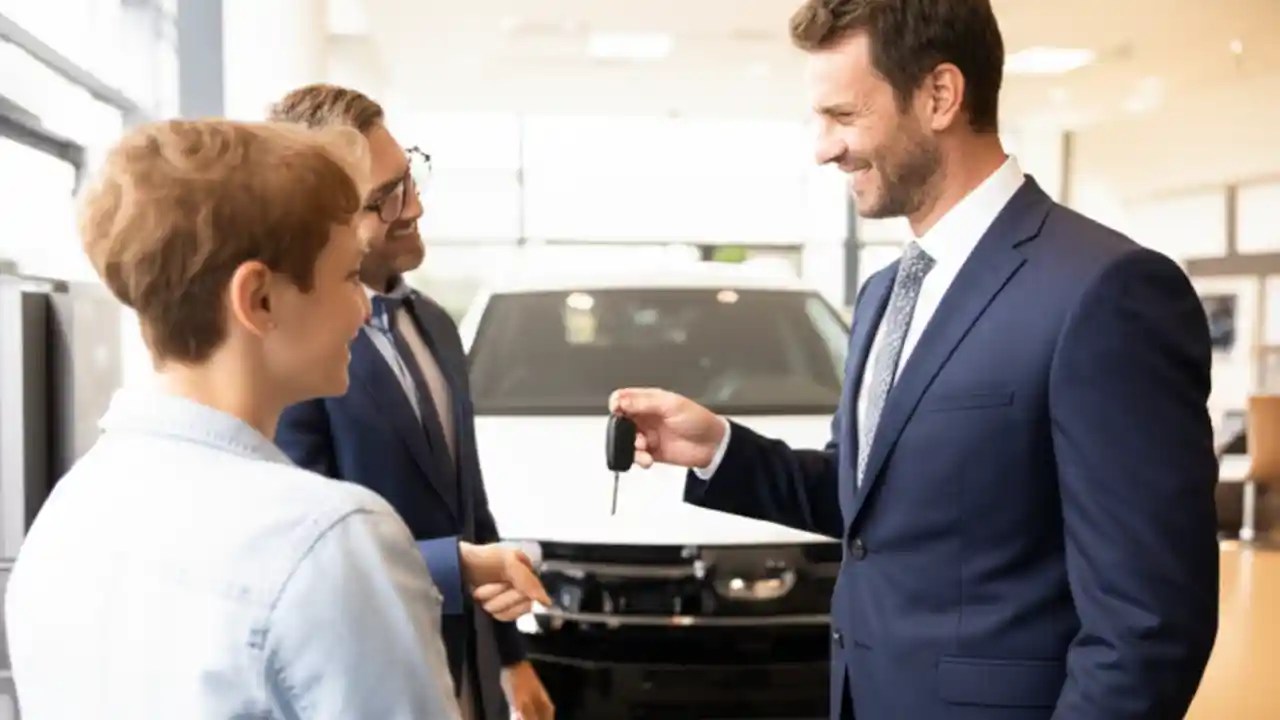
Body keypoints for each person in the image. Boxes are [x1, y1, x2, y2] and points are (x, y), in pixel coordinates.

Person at [610, 1, 1219, 718]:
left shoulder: (1105, 292)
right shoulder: (883, 294)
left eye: (843, 116)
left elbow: (1147, 624)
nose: (822, 148)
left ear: (939, 96)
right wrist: (720, 449)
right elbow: (870, 501)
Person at [4, 119, 469, 718]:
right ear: (260, 299)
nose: (361, 309)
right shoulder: (332, 537)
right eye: (350, 276)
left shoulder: (66, 515)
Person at [270, 84, 555, 720]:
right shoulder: (294, 356)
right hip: (369, 674)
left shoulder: (435, 323)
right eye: (384, 198)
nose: (416, 206)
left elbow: (470, 505)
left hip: (465, 664)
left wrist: (511, 661)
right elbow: (303, 555)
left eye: (409, 177)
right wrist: (456, 568)